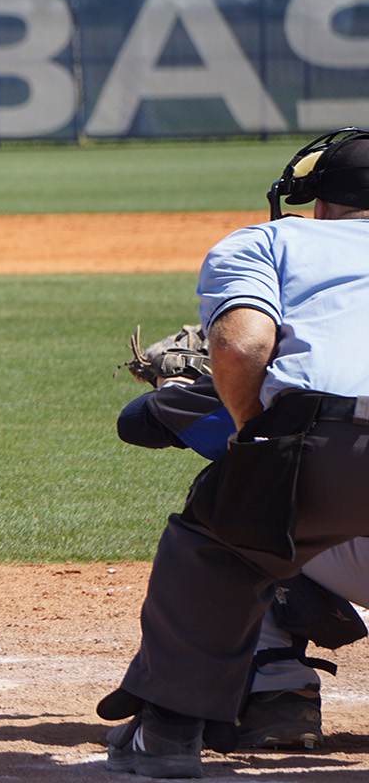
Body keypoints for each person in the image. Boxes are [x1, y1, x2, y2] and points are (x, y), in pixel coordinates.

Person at [100, 127, 369, 777]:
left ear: (320, 203)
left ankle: (219, 713)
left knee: (226, 541)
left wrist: (247, 429)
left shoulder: (272, 241)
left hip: (331, 455)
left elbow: (238, 350)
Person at [114, 347, 368, 751]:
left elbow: (138, 422)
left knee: (250, 505)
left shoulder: (308, 364)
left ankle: (279, 691)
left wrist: (184, 380)